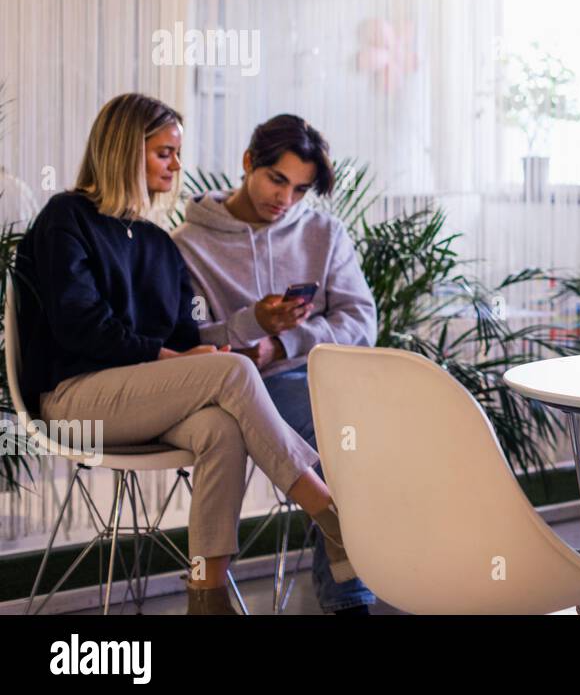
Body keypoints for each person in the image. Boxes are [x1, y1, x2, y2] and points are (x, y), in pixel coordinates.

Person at [13, 94, 355, 615]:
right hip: (76, 398)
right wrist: (172, 359)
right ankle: (329, 512)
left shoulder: (156, 241)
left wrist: (224, 340)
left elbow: (183, 336)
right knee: (234, 372)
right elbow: (80, 325)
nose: (177, 165)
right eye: (164, 153)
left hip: (144, 400)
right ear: (125, 150)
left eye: (177, 153)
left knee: (221, 428)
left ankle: (206, 595)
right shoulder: (68, 217)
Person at [173, 114, 378, 615]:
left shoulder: (323, 232)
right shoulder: (189, 245)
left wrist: (285, 343)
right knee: (338, 436)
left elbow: (362, 321)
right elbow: (184, 342)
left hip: (323, 376)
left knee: (398, 428)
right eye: (276, 179)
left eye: (300, 189)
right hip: (250, 391)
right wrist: (252, 324)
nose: (285, 199)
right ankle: (351, 603)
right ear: (249, 164)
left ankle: (428, 574)